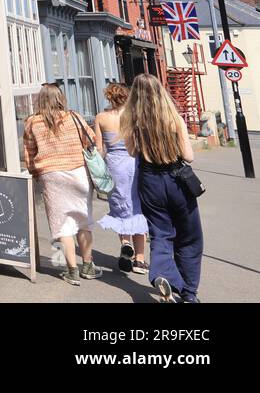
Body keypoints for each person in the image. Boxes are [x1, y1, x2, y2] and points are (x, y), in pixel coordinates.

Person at [122, 73, 203, 303]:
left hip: (149, 181)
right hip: (177, 179)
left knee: (161, 234)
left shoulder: (132, 122)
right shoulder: (174, 118)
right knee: (189, 237)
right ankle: (189, 294)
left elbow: (131, 152)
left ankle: (161, 274)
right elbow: (189, 156)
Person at [23, 84, 101, 285]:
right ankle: (88, 266)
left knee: (62, 225)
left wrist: (35, 173)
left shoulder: (32, 122)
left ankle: (72, 270)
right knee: (83, 220)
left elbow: (29, 154)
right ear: (60, 98)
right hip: (78, 173)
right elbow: (91, 140)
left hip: (51, 176)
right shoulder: (73, 117)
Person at [94, 83, 148, 274]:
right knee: (138, 207)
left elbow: (99, 149)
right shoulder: (135, 116)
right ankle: (140, 260)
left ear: (109, 97)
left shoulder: (101, 118)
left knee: (120, 207)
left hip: (114, 165)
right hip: (134, 163)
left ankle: (126, 243)